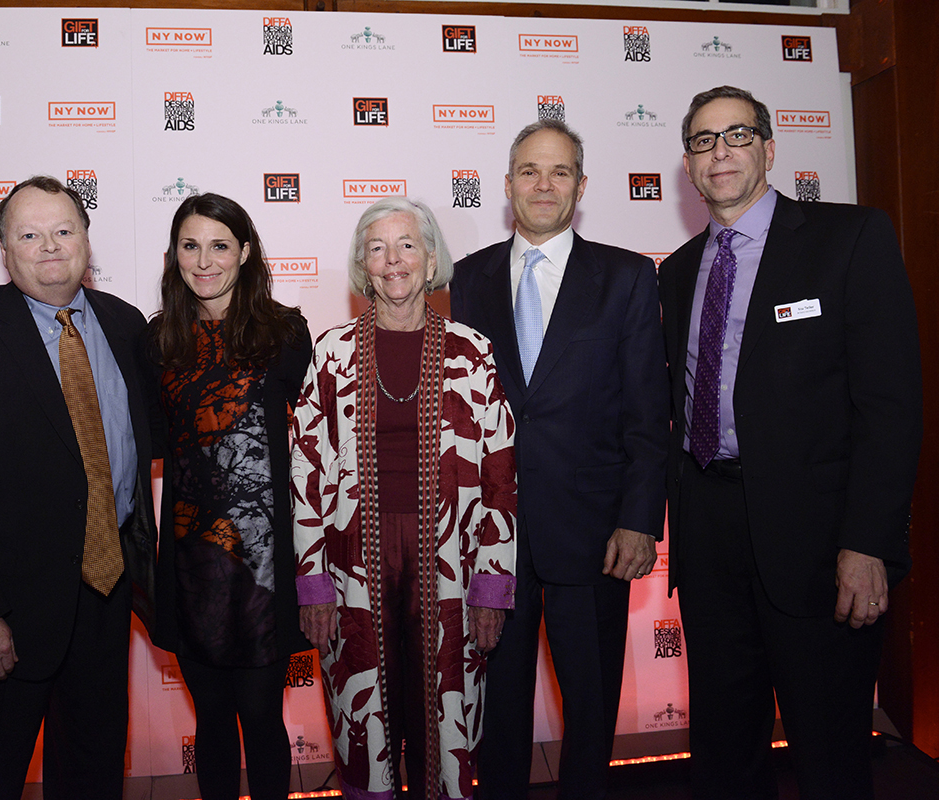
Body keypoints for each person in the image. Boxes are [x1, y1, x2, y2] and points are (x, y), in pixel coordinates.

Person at [660, 85, 922, 800]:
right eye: (704, 140)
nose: (721, 152)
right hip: (709, 536)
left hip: (819, 541)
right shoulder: (679, 271)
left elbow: (891, 407)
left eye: (738, 135)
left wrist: (868, 541)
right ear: (688, 164)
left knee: (829, 747)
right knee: (723, 744)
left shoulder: (851, 237)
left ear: (770, 149)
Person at [0, 176, 160, 799]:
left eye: (63, 231)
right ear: (3, 249)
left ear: (85, 240)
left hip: (105, 601)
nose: (50, 247)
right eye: (30, 234)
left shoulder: (126, 325)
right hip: (6, 617)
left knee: (93, 773)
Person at [450, 119, 667, 800]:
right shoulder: (465, 277)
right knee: (498, 714)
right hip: (494, 543)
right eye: (530, 171)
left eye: (560, 171)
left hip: (596, 536)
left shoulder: (628, 277)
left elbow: (646, 410)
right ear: (508, 184)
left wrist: (639, 521)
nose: (544, 185)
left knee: (592, 706)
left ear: (580, 185)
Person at [294, 196, 517, 800]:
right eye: (377, 248)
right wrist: (312, 581)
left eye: (407, 246)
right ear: (363, 267)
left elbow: (500, 473)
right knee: (361, 707)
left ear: (431, 258)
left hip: (451, 559)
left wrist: (493, 584)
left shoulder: (473, 352)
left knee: (446, 708)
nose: (393, 261)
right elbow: (307, 469)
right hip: (351, 560)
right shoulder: (330, 351)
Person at [147, 193, 312, 800]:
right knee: (211, 722)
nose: (205, 260)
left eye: (220, 245)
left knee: (264, 722)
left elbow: (317, 439)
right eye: (190, 246)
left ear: (244, 252)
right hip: (192, 566)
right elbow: (153, 442)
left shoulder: (285, 332)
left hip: (266, 569)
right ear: (174, 256)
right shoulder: (158, 339)